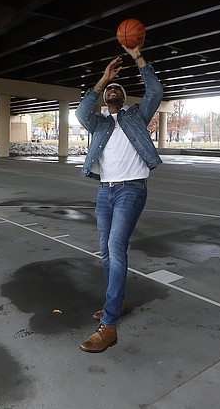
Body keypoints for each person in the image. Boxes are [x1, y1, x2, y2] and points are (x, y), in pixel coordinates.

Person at [74, 43, 163, 353]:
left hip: (131, 189)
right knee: (105, 250)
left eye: (117, 89)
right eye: (109, 89)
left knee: (115, 246)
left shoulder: (136, 115)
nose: (112, 91)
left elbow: (155, 91)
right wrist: (102, 78)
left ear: (124, 98)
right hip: (105, 191)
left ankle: (109, 324)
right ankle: (119, 302)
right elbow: (81, 111)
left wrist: (137, 56)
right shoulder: (97, 123)